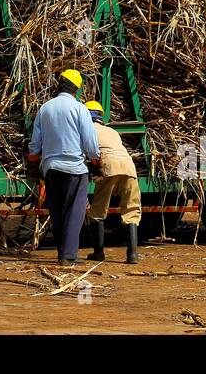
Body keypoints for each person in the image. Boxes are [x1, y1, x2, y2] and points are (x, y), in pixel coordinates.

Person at [27, 69, 100, 263]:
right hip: (75, 168)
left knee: (57, 211)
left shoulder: (45, 108)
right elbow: (90, 142)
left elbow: (35, 142)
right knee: (74, 212)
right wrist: (95, 161)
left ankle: (62, 252)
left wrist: (33, 162)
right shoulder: (79, 108)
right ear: (77, 88)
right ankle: (68, 256)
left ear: (59, 84)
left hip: (50, 167)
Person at [84, 100, 142, 264]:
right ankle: (132, 255)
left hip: (109, 166)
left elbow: (88, 153)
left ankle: (99, 253)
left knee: (98, 211)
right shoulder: (112, 131)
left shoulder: (87, 130)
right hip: (129, 167)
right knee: (131, 210)